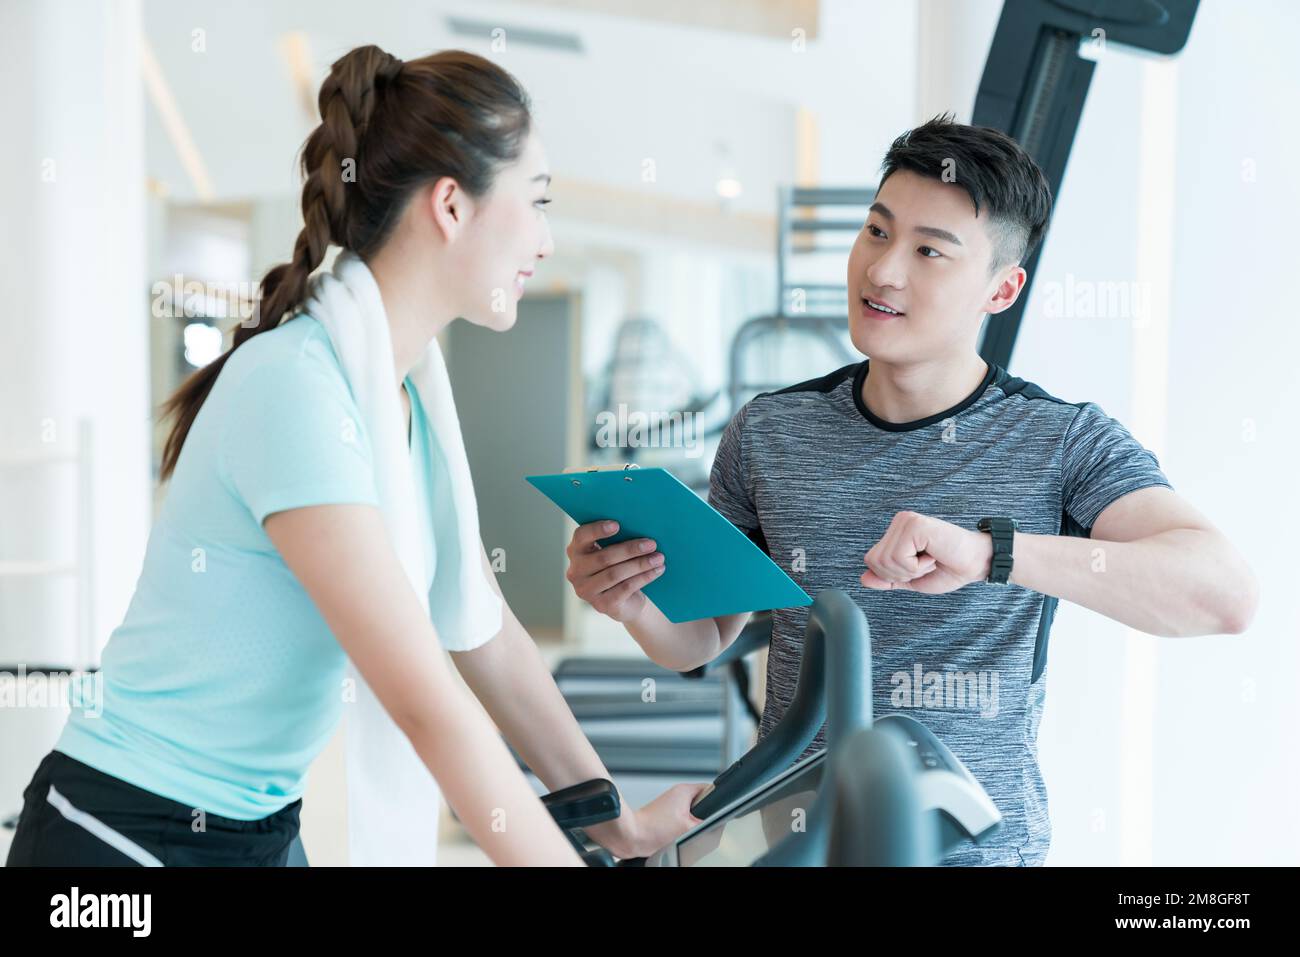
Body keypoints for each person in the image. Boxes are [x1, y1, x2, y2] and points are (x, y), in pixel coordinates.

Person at [7, 44, 704, 868]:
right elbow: (424, 699)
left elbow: (488, 639)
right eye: (538, 201)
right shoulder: (298, 385)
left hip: (258, 829)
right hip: (118, 832)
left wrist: (613, 822)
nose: (547, 240)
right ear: (452, 205)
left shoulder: (404, 400)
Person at [563, 114, 1260, 866]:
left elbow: (1224, 593)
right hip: (800, 843)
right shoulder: (770, 432)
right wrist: (631, 599)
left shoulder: (1060, 439)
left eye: (930, 250)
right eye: (877, 231)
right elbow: (701, 637)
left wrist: (995, 553)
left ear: (1002, 289)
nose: (885, 270)